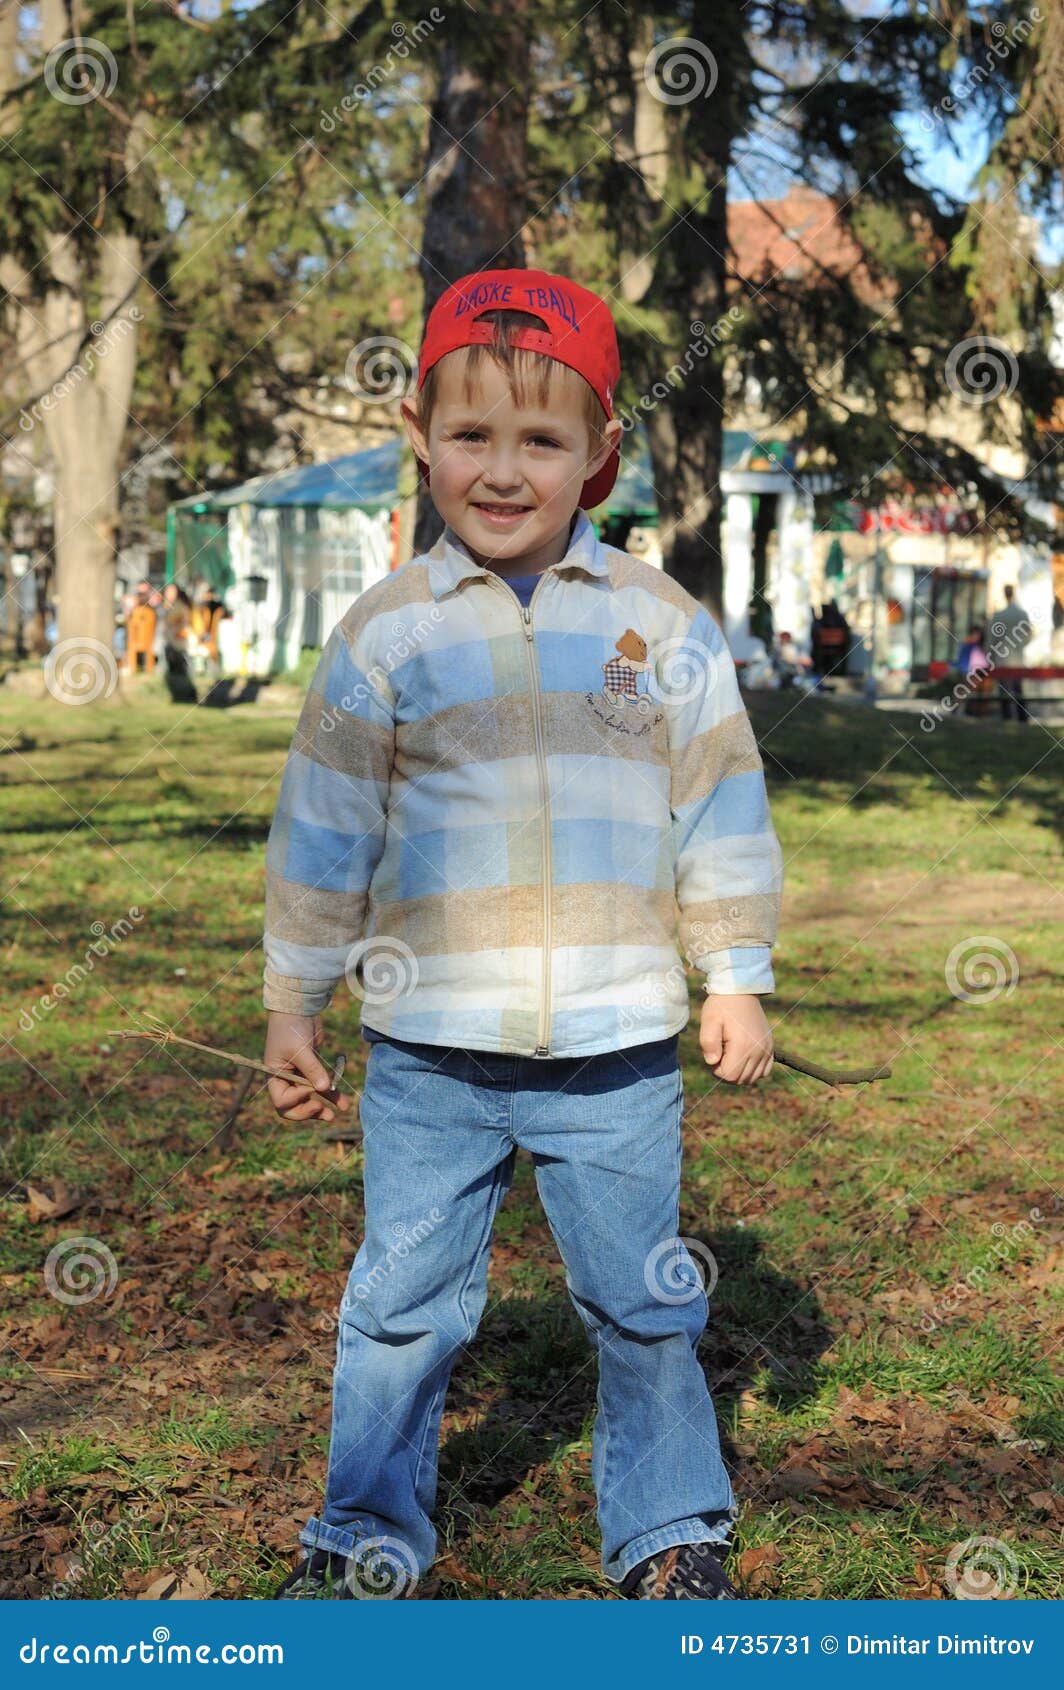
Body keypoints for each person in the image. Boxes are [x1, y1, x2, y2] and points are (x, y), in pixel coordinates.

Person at [262, 269, 783, 1603]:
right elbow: (324, 826)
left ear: (599, 450)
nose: (503, 470)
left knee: (645, 1301)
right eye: (472, 434)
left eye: (541, 439)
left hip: (616, 1051)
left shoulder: (658, 622)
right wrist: (293, 1001)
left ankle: (669, 1525)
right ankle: (364, 1527)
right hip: (430, 1053)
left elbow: (719, 807)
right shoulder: (386, 631)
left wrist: (734, 973)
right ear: (418, 435)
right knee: (400, 1305)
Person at [984, 583, 1032, 723]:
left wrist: (990, 655)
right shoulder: (1022, 614)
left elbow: (991, 639)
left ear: (1004, 594)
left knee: (1004, 691)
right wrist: (1020, 645)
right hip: (1017, 659)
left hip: (1002, 659)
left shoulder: (999, 615)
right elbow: (1029, 635)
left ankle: (1007, 718)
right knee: (1018, 689)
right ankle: (1022, 718)